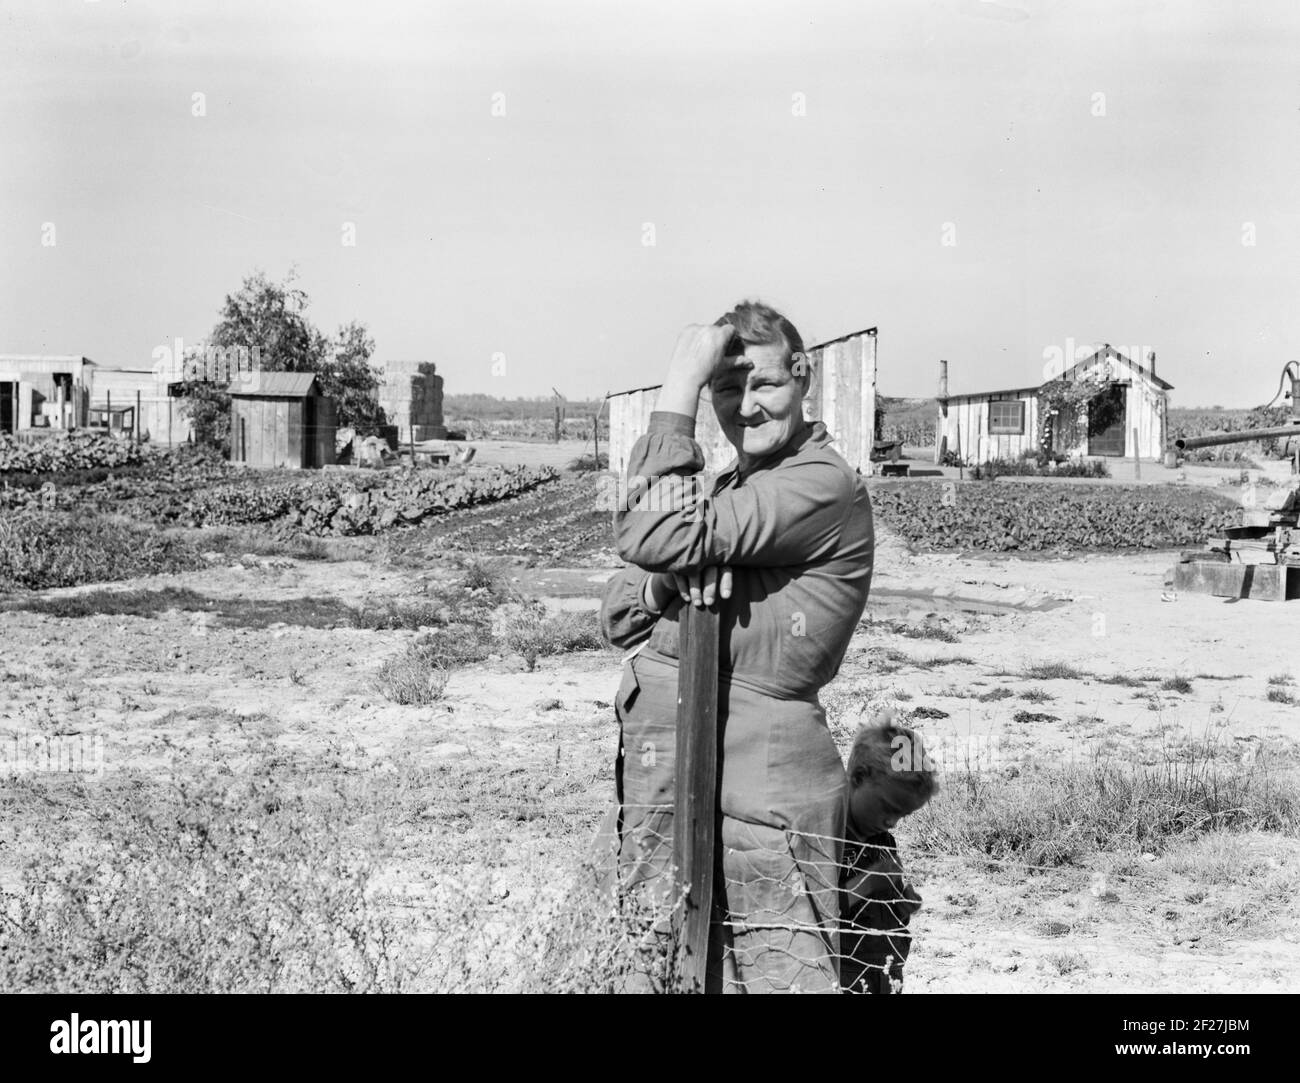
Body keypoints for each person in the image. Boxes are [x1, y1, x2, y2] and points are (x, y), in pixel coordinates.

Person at [594, 300, 875, 992]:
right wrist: (664, 584)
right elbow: (617, 613)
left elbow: (646, 530)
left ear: (803, 375)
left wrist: (679, 387)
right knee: (658, 968)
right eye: (725, 388)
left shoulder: (819, 484)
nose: (746, 407)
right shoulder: (728, 489)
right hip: (677, 783)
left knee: (780, 979)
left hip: (759, 801)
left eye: (765, 384)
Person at [838, 717, 938, 994]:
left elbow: (889, 902)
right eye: (888, 807)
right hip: (842, 973)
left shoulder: (883, 840)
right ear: (859, 777)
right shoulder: (830, 836)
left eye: (902, 815)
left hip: (887, 969)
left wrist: (903, 904)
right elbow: (816, 908)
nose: (892, 822)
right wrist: (868, 883)